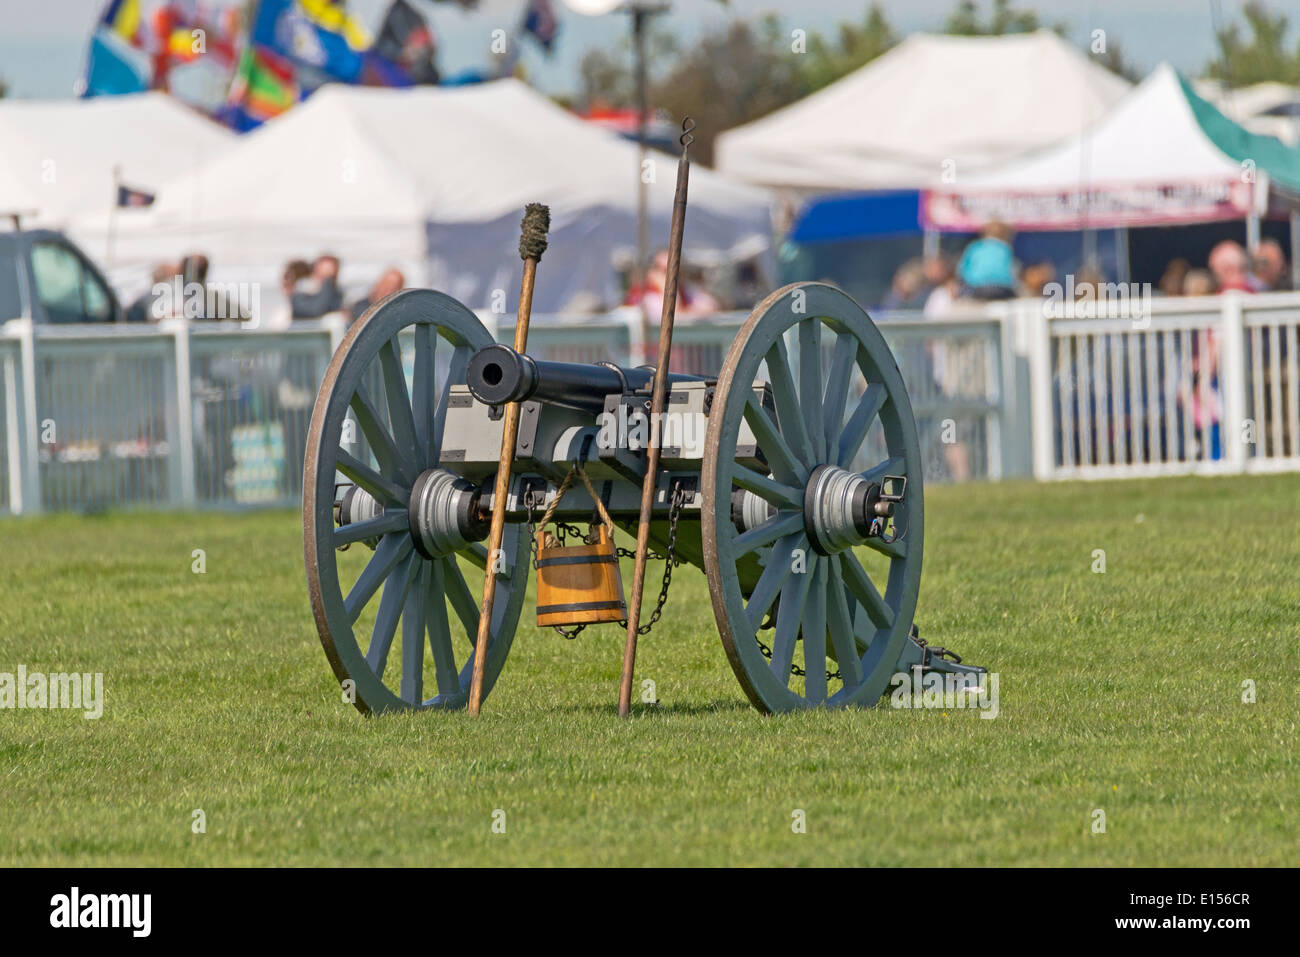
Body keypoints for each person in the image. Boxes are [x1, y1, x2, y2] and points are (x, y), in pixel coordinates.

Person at [957, 221, 1017, 300]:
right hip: (1002, 289)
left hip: (976, 288)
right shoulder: (1005, 248)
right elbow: (1012, 272)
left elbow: (961, 270)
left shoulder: (975, 246)